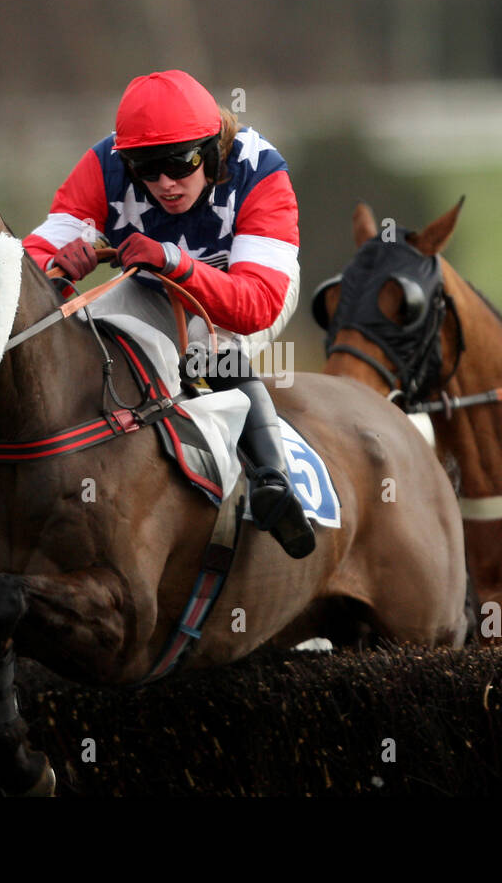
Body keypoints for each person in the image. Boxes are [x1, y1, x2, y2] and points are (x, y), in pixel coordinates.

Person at [22, 69, 315, 559]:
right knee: (86, 339)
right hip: (154, 285)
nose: (163, 184)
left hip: (245, 290)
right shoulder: (104, 165)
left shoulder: (260, 169)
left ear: (214, 150)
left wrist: (175, 261)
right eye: (145, 169)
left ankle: (273, 479)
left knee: (206, 352)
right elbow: (31, 258)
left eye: (179, 165)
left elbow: (255, 303)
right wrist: (55, 269)